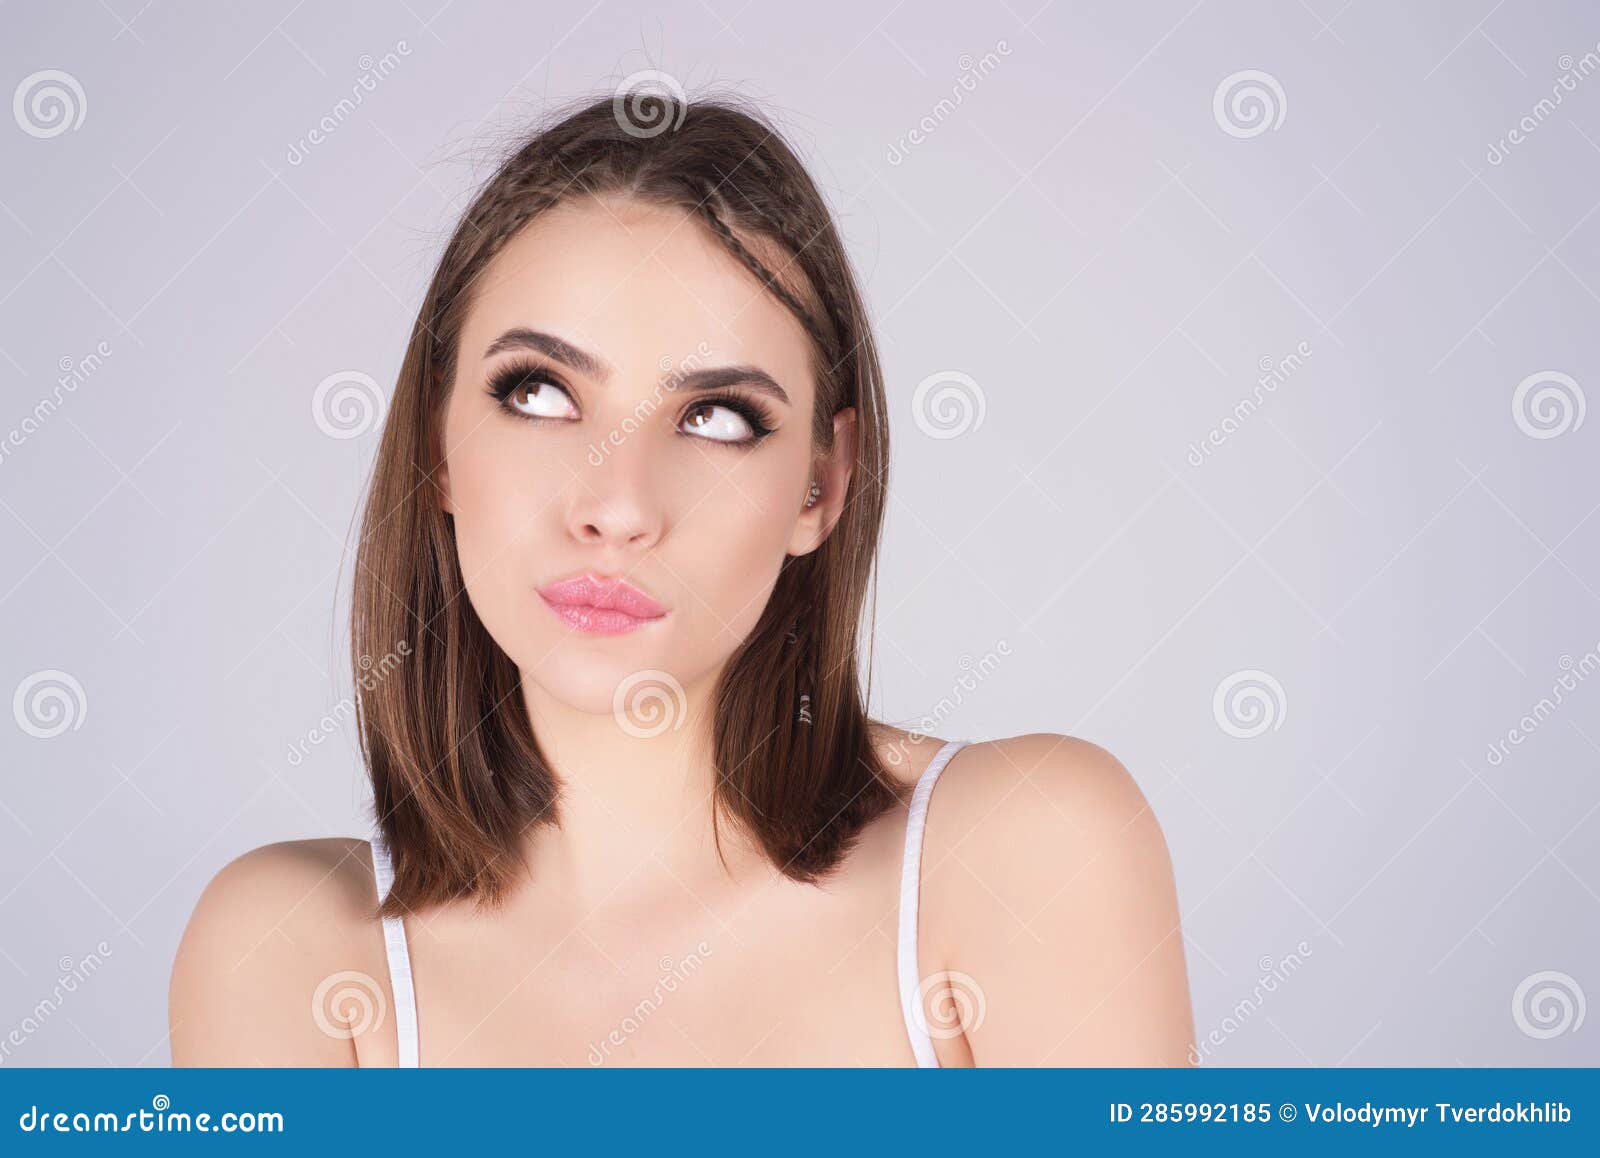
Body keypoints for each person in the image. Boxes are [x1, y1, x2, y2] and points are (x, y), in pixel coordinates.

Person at [169, 91, 1194, 1066]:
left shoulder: (1022, 847)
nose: (617, 504)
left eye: (715, 418)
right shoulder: (292, 951)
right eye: (538, 394)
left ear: (820, 488)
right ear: (437, 443)